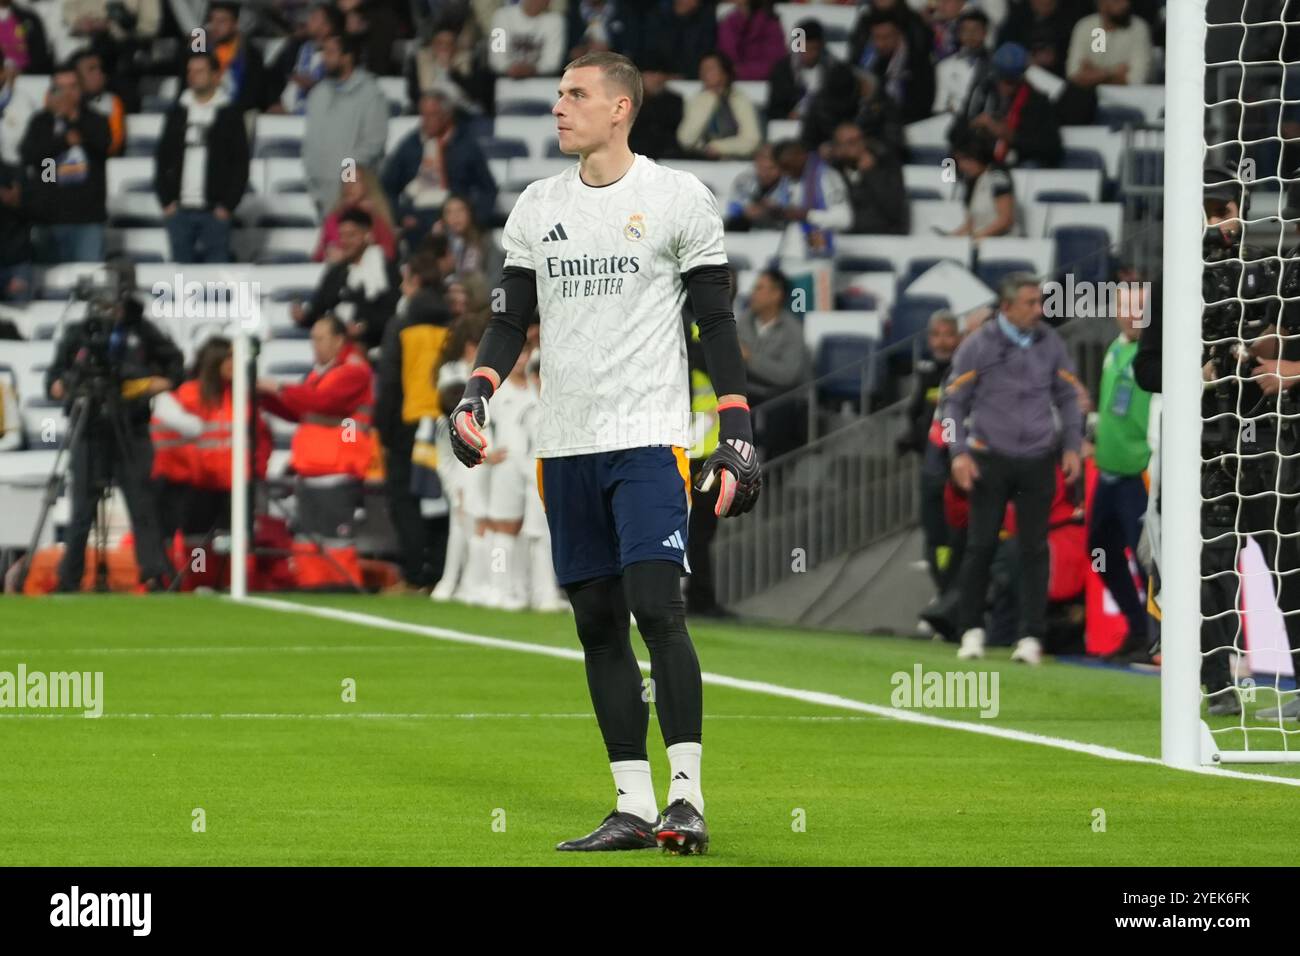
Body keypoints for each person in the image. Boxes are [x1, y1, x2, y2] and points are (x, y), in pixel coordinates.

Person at [447, 51, 761, 855]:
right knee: (596, 624)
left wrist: (736, 428)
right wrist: (478, 389)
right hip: (567, 444)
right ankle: (632, 803)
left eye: (576, 96)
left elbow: (716, 325)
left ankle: (686, 800)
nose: (560, 108)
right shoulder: (535, 206)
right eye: (557, 95)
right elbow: (511, 319)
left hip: (650, 440)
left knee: (657, 608)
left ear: (620, 108)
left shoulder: (676, 197)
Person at [941, 273, 1084, 666]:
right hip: (989, 457)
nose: (1039, 310)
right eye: (1029, 303)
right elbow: (952, 402)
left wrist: (1072, 446)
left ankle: (1031, 635)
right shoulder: (978, 346)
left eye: (1039, 302)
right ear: (1006, 307)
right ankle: (970, 630)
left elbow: (1069, 396)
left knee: (1034, 548)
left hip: (1039, 458)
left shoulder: (1050, 343)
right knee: (981, 545)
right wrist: (958, 453)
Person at [45, 258, 184, 592]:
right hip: (89, 427)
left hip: (131, 427)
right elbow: (53, 380)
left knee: (142, 504)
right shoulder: (81, 332)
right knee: (81, 509)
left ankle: (154, 574)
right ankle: (69, 579)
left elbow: (176, 366)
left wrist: (151, 384)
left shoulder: (142, 330)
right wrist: (66, 385)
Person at [257, 314, 376, 571]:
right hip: (314, 470)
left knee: (334, 543)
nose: (314, 344)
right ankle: (311, 588)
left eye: (320, 338)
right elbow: (300, 409)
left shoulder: (353, 371)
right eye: (312, 338)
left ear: (338, 340)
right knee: (308, 542)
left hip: (338, 470)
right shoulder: (322, 373)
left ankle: (340, 588)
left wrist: (276, 387)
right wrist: (264, 397)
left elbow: (321, 402)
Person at [1089, 283, 1153, 662]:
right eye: (1125, 307)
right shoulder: (1115, 348)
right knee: (1100, 550)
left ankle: (1155, 636)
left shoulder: (1154, 355)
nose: (1131, 314)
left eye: (1139, 307)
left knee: (1149, 558)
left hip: (1139, 473)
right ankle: (1136, 626)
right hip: (1108, 471)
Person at [154, 50, 249, 264]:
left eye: (200, 71)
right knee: (180, 279)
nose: (193, 75)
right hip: (179, 212)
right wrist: (166, 202)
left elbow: (240, 165)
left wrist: (227, 206)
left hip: (215, 213)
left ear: (216, 76)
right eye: (190, 71)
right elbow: (162, 158)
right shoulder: (177, 112)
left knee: (216, 280)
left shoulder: (231, 114)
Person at [381, 91, 497, 247]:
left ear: (446, 115)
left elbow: (488, 188)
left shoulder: (466, 145)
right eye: (424, 115)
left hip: (453, 216)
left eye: (433, 115)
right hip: (417, 218)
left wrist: (473, 219)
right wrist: (401, 216)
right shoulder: (410, 145)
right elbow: (387, 187)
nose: (426, 121)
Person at [20, 62, 110, 263]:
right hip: (48, 221)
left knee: (88, 285)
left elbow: (102, 146)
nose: (67, 94)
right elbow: (30, 156)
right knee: (48, 289)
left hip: (87, 221)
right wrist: (62, 141)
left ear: (81, 88)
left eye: (73, 87)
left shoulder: (96, 120)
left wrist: (72, 119)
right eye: (61, 88)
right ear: (52, 91)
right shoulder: (40, 122)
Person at [898, 311, 961, 595]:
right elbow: (916, 414)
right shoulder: (925, 372)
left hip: (957, 467)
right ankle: (943, 593)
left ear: (958, 338)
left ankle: (955, 595)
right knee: (934, 536)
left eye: (948, 334)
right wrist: (910, 439)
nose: (942, 342)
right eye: (936, 335)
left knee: (955, 534)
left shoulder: (963, 372)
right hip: (931, 466)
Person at [292, 207, 401, 351]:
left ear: (368, 235)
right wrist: (303, 316)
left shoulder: (386, 270)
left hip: (374, 349)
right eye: (342, 236)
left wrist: (363, 328)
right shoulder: (337, 272)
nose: (345, 241)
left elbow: (393, 314)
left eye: (351, 235)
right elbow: (318, 307)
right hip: (337, 347)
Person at [302, 31, 387, 214]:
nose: (324, 58)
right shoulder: (318, 93)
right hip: (319, 189)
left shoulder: (371, 94)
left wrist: (347, 179)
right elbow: (310, 142)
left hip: (353, 191)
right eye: (324, 52)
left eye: (331, 52)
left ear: (347, 57)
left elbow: (374, 143)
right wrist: (312, 180)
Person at [951, 41, 1062, 169]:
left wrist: (1010, 136)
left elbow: (1052, 148)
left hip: (1019, 164)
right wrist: (974, 126)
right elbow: (953, 133)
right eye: (1001, 79)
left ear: (1021, 76)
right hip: (981, 162)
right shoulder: (982, 94)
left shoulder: (1037, 102)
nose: (1006, 87)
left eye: (1011, 81)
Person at [736, 267, 810, 460]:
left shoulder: (792, 330)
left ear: (776, 295)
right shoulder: (742, 322)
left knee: (780, 413)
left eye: (760, 288)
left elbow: (787, 374)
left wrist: (750, 358)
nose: (753, 293)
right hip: (746, 394)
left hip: (778, 399)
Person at [771, 138, 853, 258]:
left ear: (800, 156)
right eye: (781, 167)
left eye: (787, 166)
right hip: (788, 256)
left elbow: (844, 219)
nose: (784, 172)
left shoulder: (827, 177)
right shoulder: (786, 180)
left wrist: (808, 215)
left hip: (819, 255)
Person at [676, 51, 760, 160]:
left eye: (710, 69)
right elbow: (686, 139)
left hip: (736, 159)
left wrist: (718, 147)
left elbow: (752, 140)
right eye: (702, 69)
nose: (704, 73)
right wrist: (708, 100)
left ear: (725, 73)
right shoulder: (697, 100)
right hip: (700, 158)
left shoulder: (739, 99)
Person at [829, 120, 907, 235]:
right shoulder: (830, 171)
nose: (859, 145)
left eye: (860, 139)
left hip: (884, 237)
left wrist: (872, 174)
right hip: (843, 236)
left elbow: (894, 211)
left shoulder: (887, 165)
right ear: (837, 148)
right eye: (851, 142)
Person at [268, 1, 341, 115]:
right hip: (288, 109)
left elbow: (337, 86)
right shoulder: (304, 47)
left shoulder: (337, 51)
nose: (309, 21)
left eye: (315, 18)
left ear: (327, 27)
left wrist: (312, 84)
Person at [314, 166, 397, 263]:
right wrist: (328, 253)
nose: (350, 185)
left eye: (356, 180)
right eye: (346, 181)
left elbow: (388, 254)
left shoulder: (378, 217)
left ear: (367, 185)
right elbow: (319, 256)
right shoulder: (333, 218)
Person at [950, 134, 1022, 240]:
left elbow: (1005, 220)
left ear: (979, 155)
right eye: (959, 161)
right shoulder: (973, 181)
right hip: (980, 241)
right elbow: (971, 224)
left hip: (1004, 242)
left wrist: (977, 237)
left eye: (966, 160)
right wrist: (951, 238)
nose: (961, 166)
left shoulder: (998, 176)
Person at [1066, 0, 1152, 88]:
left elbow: (1137, 79)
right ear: (1101, 3)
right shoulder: (1084, 26)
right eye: (1117, 1)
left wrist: (1091, 72)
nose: (1125, 5)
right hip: (1086, 96)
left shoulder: (1139, 28)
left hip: (1126, 99)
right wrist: (1112, 73)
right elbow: (1073, 74)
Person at [204, 0, 268, 113]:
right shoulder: (201, 51)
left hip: (237, 114)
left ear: (235, 24)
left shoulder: (251, 55)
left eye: (222, 21)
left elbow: (252, 96)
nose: (215, 26)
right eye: (212, 20)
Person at [933, 8, 991, 115]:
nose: (970, 34)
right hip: (954, 125)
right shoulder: (944, 66)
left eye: (976, 30)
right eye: (966, 30)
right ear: (959, 33)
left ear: (984, 33)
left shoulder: (994, 65)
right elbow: (940, 106)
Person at [430, 194, 502, 280]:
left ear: (470, 213)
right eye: (449, 212)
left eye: (460, 210)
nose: (455, 216)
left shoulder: (485, 241)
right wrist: (435, 241)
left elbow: (496, 277)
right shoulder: (444, 242)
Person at [488, 0, 565, 78]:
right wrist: (511, 69)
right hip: (503, 79)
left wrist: (531, 70)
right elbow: (496, 59)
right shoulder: (501, 16)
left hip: (541, 81)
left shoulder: (556, 20)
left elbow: (552, 63)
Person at [715, 0, 786, 83]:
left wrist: (740, 71)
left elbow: (775, 64)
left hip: (767, 83)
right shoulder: (728, 23)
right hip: (732, 83)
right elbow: (726, 59)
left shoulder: (770, 23)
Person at [722, 142, 784, 231]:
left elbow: (785, 207)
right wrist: (750, 210)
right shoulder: (744, 180)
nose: (766, 173)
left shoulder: (788, 183)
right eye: (762, 168)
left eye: (771, 168)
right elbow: (734, 207)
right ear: (756, 163)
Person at [74, 49, 124, 156]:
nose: (99, 73)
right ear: (76, 76)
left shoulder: (112, 101)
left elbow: (114, 145)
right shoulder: (62, 100)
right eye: (91, 69)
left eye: (100, 69)